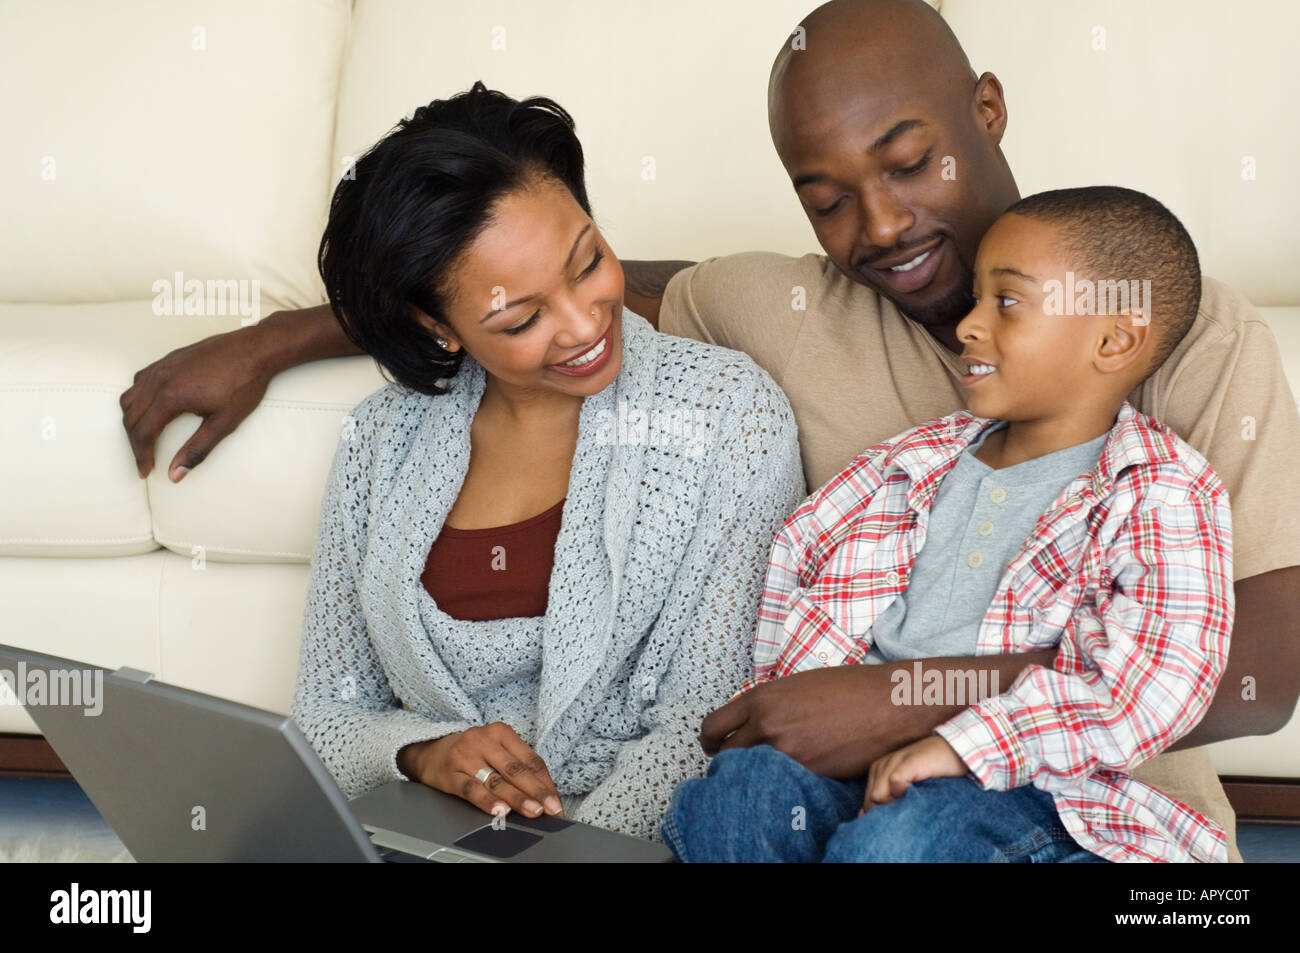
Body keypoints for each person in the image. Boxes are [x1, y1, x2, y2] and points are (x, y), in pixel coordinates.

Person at [119, 0, 1300, 861]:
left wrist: (905, 697)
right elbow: (546, 286)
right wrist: (277, 334)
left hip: (1090, 811)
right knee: (730, 808)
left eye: (911, 160)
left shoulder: (1167, 324)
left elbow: (1256, 674)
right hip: (837, 803)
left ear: (984, 109)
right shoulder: (778, 307)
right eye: (825, 197)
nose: (880, 226)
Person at [288, 82, 805, 842]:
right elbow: (326, 714)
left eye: (588, 260)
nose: (583, 323)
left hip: (620, 843)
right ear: (439, 324)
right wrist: (422, 752)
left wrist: (562, 857)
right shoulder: (380, 441)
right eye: (523, 317)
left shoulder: (730, 415)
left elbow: (707, 723)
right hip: (417, 841)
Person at [662, 187, 1234, 862]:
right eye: (976, 298)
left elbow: (1145, 690)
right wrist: (790, 706)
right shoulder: (912, 461)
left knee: (899, 841)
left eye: (1007, 302)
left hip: (1037, 794)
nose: (968, 325)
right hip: (852, 771)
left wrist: (959, 744)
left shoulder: (1162, 490)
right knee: (738, 793)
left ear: (1112, 340)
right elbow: (798, 566)